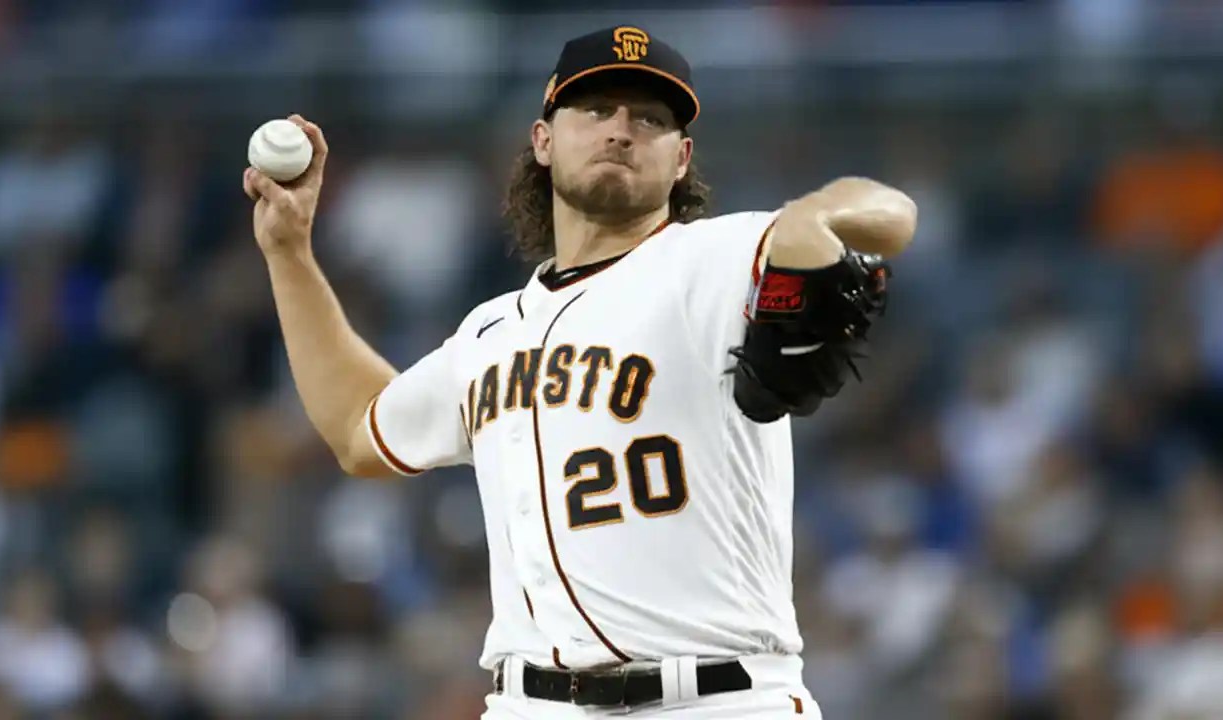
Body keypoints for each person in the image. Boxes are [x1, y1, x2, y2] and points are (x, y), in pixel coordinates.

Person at [243, 25, 915, 719]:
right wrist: (289, 251)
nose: (621, 131)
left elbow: (893, 214)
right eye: (596, 110)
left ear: (681, 160)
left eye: (649, 119)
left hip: (718, 700)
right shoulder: (490, 331)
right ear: (542, 141)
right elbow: (359, 429)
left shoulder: (712, 260)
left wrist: (818, 215)